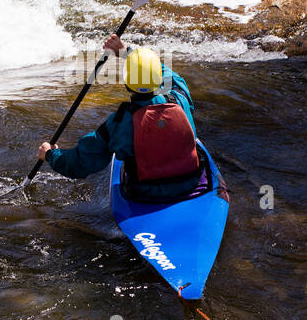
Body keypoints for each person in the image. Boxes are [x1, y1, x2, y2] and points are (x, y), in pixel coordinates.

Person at [37, 35, 204, 203]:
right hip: (191, 182)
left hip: (145, 192)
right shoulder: (179, 97)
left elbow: (81, 162)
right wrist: (126, 52)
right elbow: (168, 73)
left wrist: (51, 154)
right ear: (159, 79)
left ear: (126, 83)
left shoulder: (120, 122)